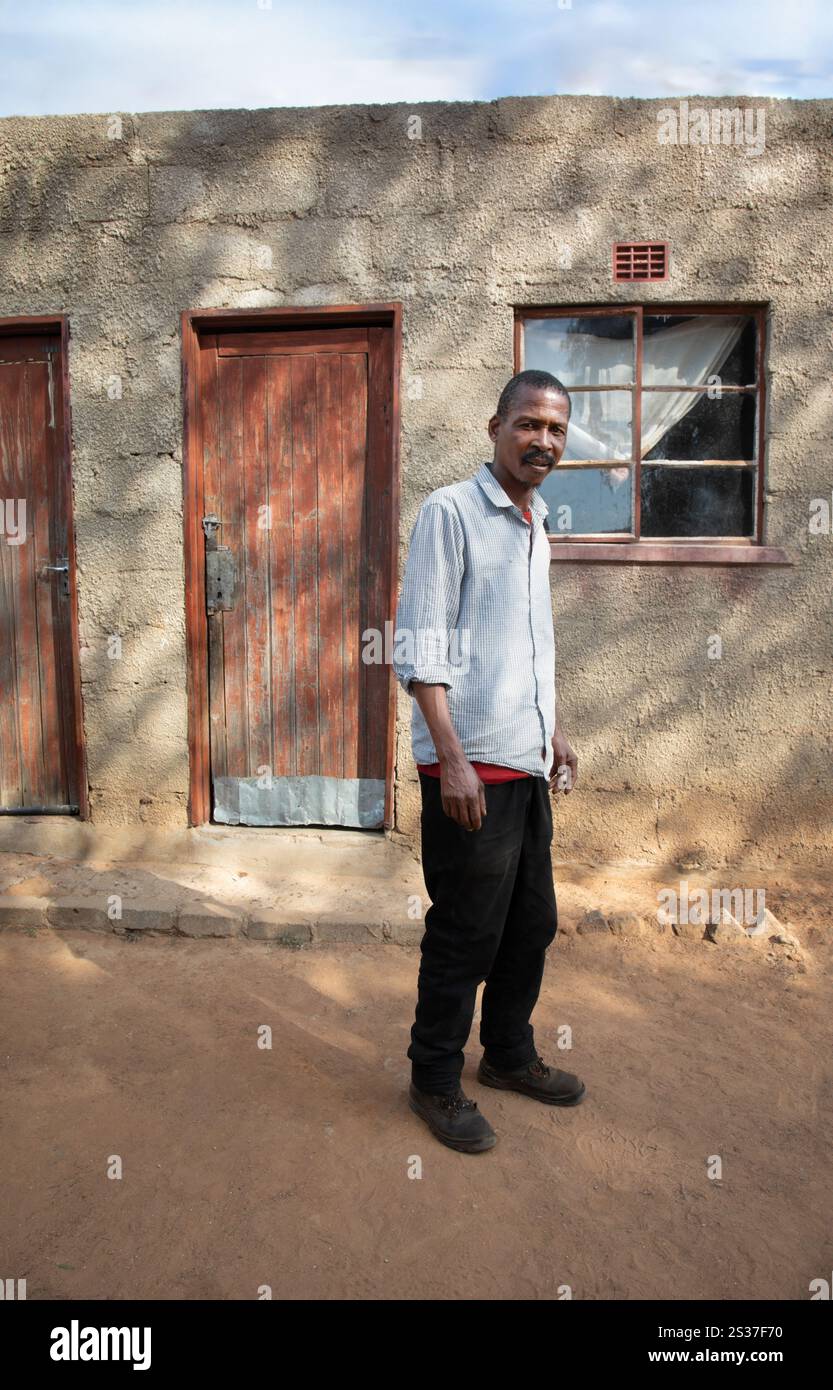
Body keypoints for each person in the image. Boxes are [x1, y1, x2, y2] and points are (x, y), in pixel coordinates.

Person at [392, 369, 586, 1154]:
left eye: (556, 431)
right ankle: (432, 1078)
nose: (542, 440)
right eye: (529, 424)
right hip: (470, 769)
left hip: (525, 760)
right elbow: (418, 648)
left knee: (529, 925)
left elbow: (526, 647)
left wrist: (555, 728)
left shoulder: (535, 523)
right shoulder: (451, 512)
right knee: (464, 934)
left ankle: (505, 1055)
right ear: (495, 427)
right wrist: (454, 759)